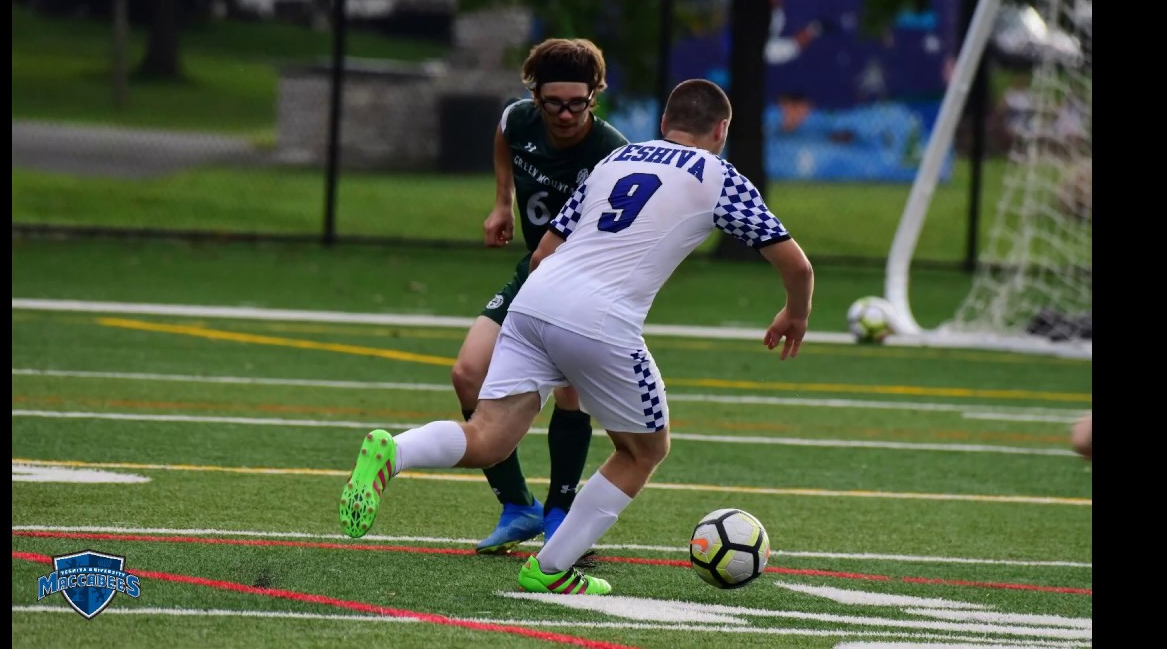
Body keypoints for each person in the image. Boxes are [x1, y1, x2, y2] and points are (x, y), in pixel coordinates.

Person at [338, 78, 814, 595]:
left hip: (536, 298)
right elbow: (796, 264)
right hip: (601, 319)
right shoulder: (720, 175)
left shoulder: (615, 162)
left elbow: (543, 251)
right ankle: (550, 567)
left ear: (663, 124)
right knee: (643, 452)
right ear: (722, 129)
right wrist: (795, 313)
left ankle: (395, 452)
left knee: (489, 438)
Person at [452, 38, 629, 555]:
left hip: (580, 286)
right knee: (467, 374)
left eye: (579, 102)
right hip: (532, 272)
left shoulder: (611, 152)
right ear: (535, 95)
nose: (567, 114)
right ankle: (517, 506)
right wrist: (501, 202)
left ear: (594, 95)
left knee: (570, 393)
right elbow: (504, 135)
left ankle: (560, 514)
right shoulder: (519, 120)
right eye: (554, 103)